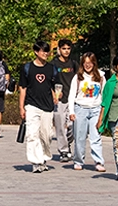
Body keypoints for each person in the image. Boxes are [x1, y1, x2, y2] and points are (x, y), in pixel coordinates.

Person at [19, 41, 60, 173]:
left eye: (47, 51)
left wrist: (57, 95)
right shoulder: (27, 68)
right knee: (32, 134)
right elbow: (23, 88)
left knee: (46, 135)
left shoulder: (52, 69)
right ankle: (36, 162)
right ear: (36, 52)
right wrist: (21, 107)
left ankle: (44, 158)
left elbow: (56, 86)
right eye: (43, 51)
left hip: (47, 106)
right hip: (32, 105)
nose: (45, 53)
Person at [66, 52, 106, 172]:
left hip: (95, 109)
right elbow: (71, 95)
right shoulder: (78, 77)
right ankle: (78, 160)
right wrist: (71, 111)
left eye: (90, 63)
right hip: (80, 109)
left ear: (94, 63)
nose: (87, 65)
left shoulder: (101, 77)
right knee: (79, 137)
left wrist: (103, 114)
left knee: (96, 136)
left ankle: (99, 161)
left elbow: (104, 95)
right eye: (85, 63)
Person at [51, 39, 78, 162]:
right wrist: (53, 94)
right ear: (59, 49)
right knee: (60, 126)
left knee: (74, 126)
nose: (66, 51)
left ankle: (67, 144)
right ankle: (64, 151)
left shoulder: (74, 64)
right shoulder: (53, 64)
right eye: (64, 48)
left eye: (68, 48)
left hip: (73, 99)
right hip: (59, 100)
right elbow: (49, 81)